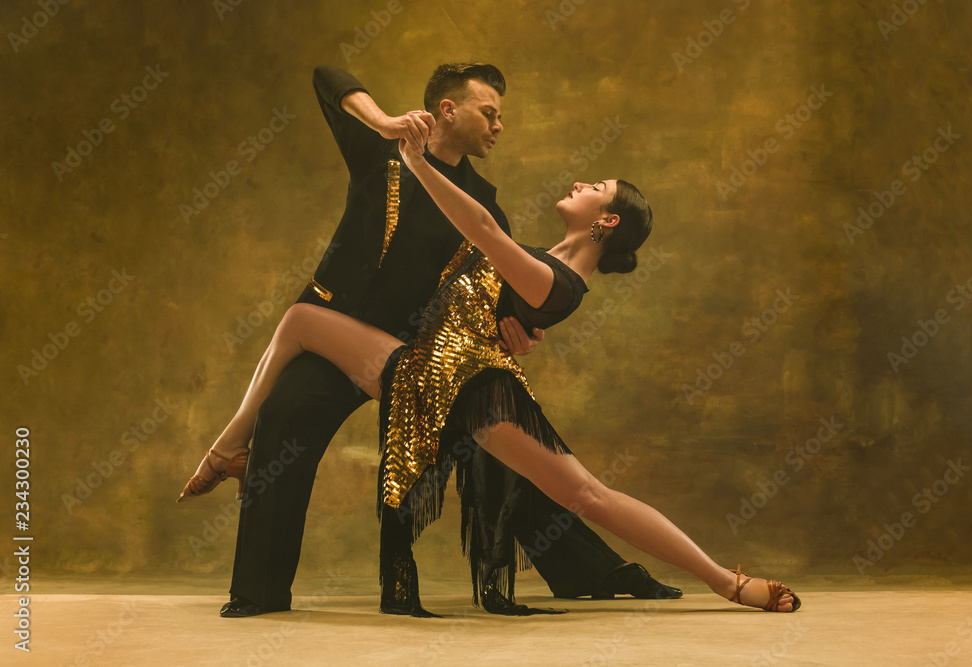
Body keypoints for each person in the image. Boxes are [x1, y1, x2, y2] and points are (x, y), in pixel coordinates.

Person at [181, 127, 803, 614]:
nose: (581, 182)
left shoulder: (559, 280)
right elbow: (491, 299)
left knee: (587, 495)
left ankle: (725, 581)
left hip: (470, 387)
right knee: (300, 320)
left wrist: (417, 163)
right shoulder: (544, 263)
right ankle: (232, 449)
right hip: (432, 372)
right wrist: (515, 329)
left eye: (596, 186)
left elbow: (480, 228)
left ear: (607, 220)